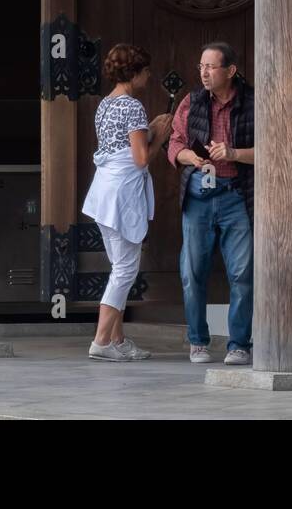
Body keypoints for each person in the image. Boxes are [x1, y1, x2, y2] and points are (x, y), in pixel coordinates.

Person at [81, 44, 173, 361]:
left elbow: (121, 149)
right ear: (134, 73)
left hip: (104, 190)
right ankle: (102, 341)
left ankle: (118, 339)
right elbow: (140, 158)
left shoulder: (105, 105)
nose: (148, 77)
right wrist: (160, 134)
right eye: (145, 71)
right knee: (124, 270)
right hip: (122, 193)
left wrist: (151, 134)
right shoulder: (132, 107)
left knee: (118, 267)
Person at [167, 42, 255, 365]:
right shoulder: (191, 101)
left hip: (236, 193)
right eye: (201, 66)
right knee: (191, 272)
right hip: (199, 195)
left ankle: (239, 344)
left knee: (243, 273)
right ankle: (198, 341)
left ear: (230, 71)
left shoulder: (253, 102)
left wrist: (232, 154)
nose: (204, 73)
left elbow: (272, 148)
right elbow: (174, 142)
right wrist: (190, 157)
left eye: (211, 67)